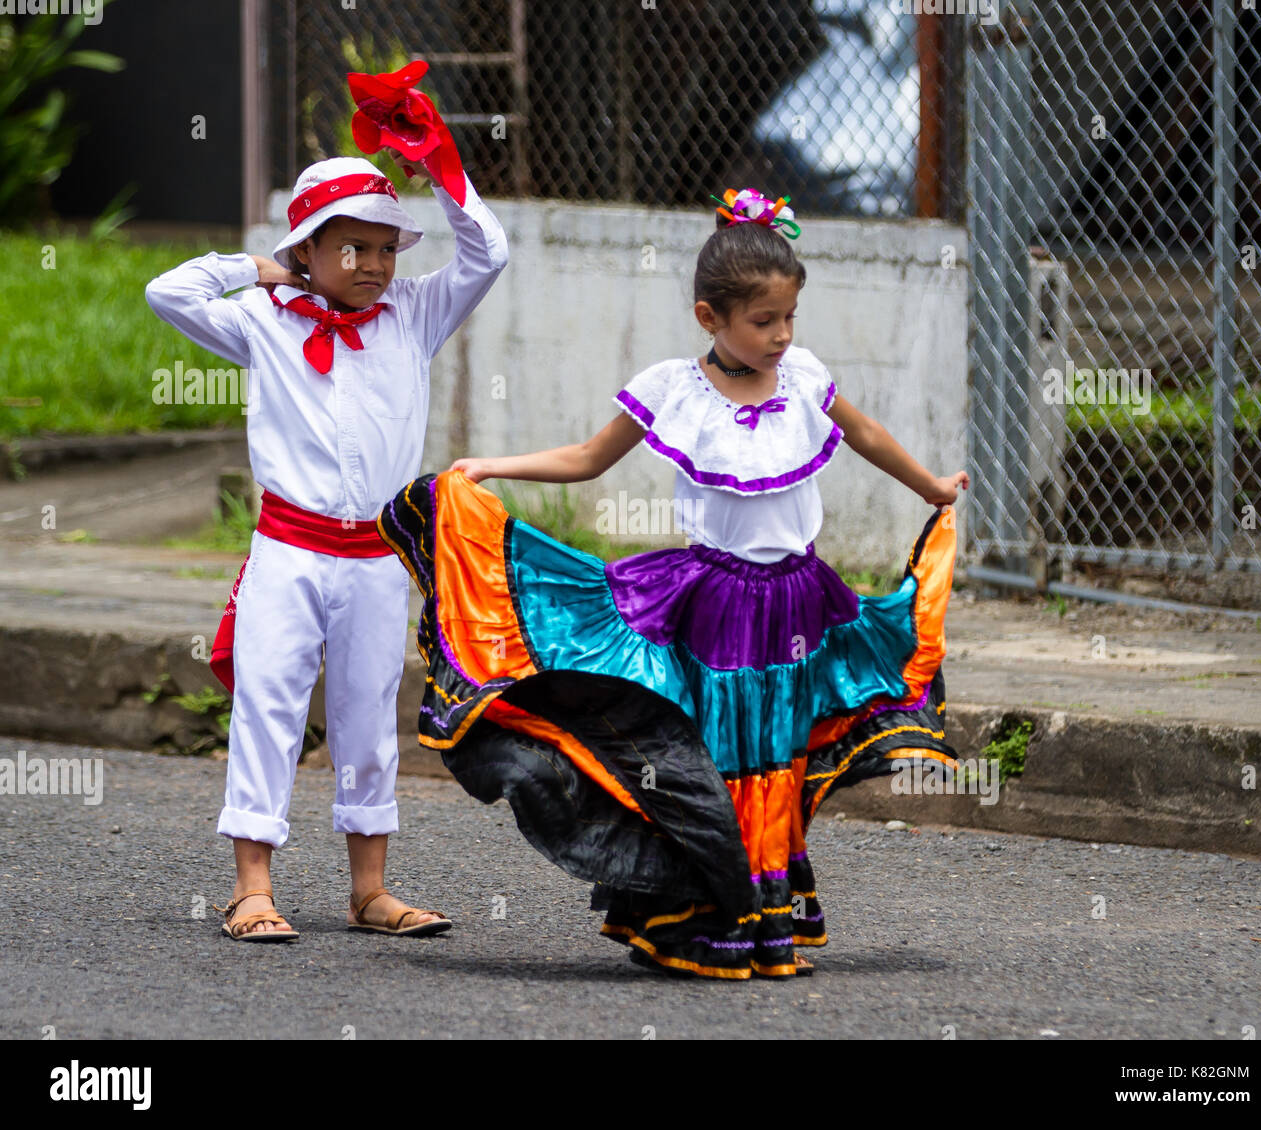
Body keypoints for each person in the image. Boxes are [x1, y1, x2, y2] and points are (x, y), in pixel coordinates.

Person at [378, 187, 967, 978]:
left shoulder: (803, 377)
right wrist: (490, 466)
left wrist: (931, 486)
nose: (782, 335)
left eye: (790, 318)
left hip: (800, 603)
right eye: (764, 321)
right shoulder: (672, 390)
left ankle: (766, 920)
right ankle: (705, 921)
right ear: (708, 317)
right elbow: (588, 458)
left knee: (779, 759)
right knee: (721, 763)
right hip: (715, 610)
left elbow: (864, 432)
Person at [145, 136, 509, 941]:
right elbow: (166, 291)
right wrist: (259, 270)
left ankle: (369, 892)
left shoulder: (415, 313)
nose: (375, 263)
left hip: (377, 558)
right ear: (306, 249)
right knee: (267, 707)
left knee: (369, 719)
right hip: (288, 552)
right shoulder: (261, 320)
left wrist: (441, 166)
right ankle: (251, 889)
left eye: (386, 248)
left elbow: (489, 253)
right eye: (352, 246)